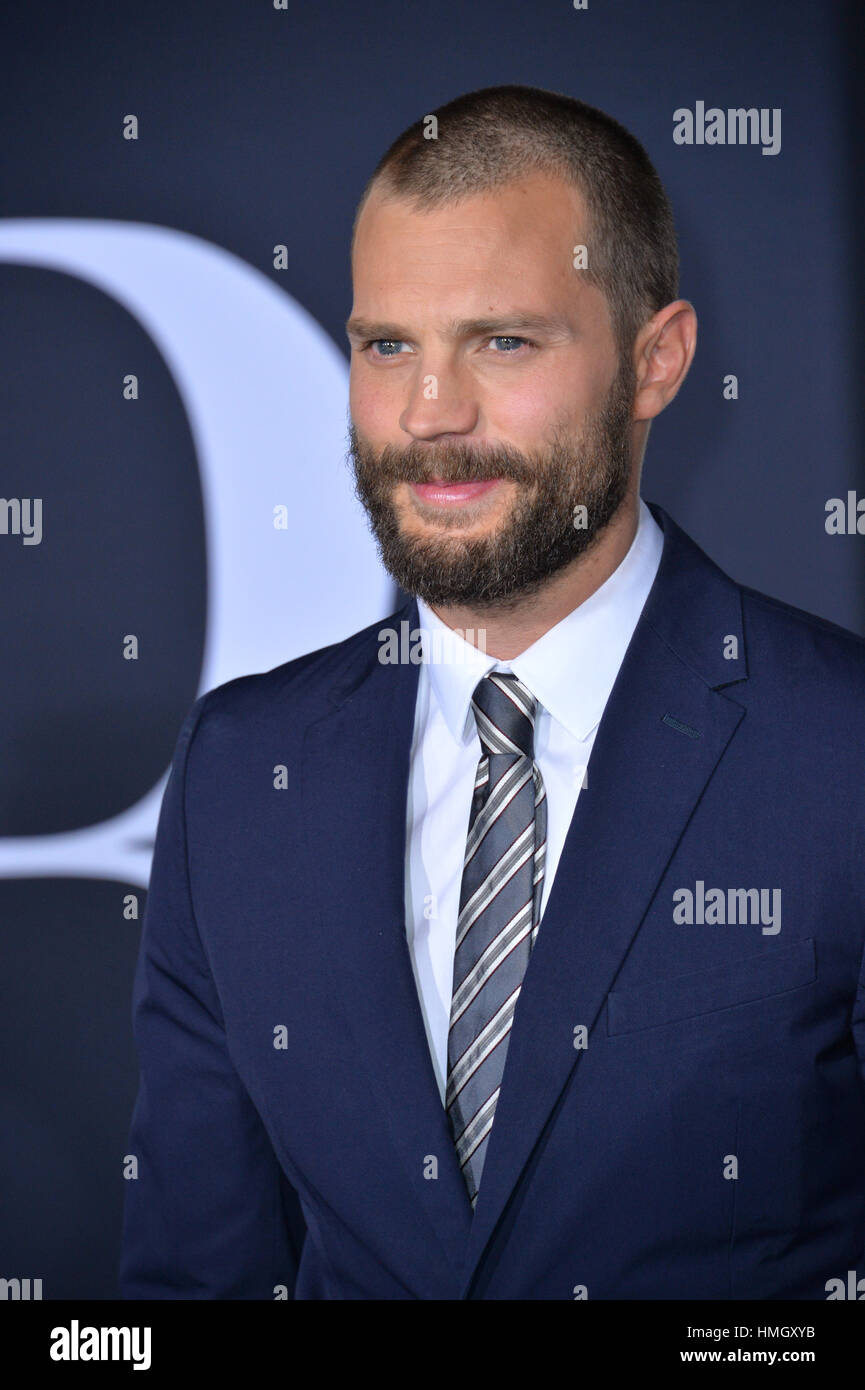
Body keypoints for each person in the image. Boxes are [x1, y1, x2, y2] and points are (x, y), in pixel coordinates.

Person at [120, 84, 865, 1300]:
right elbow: (189, 1285)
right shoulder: (242, 771)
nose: (430, 414)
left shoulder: (838, 751)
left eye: (503, 341)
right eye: (388, 345)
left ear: (656, 360)